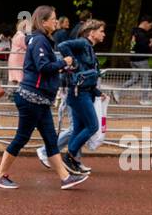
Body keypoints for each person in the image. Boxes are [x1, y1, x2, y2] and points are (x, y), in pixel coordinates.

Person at [0, 5, 88, 190]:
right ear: (43, 22)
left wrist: (63, 66)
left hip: (39, 99)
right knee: (21, 138)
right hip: (32, 98)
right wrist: (63, 62)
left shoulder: (40, 40)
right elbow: (43, 66)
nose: (56, 22)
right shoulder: (39, 40)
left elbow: (45, 67)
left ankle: (65, 178)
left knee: (50, 139)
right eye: (54, 19)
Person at [37, 19, 104, 174]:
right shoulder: (83, 43)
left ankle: (72, 160)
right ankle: (69, 156)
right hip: (78, 93)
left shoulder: (89, 48)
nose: (103, 34)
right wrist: (73, 63)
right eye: (101, 31)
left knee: (79, 128)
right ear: (91, 32)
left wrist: (97, 92)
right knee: (93, 126)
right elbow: (62, 46)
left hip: (84, 91)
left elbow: (89, 73)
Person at [120, 13, 152, 101]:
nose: (150, 27)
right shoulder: (141, 34)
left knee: (135, 78)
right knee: (146, 77)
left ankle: (118, 91)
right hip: (141, 59)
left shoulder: (135, 32)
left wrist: (148, 42)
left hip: (133, 58)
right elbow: (144, 48)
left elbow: (136, 45)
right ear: (145, 23)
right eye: (150, 25)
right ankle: (144, 99)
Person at [5, 11, 31, 87]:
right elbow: (28, 47)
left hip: (15, 60)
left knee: (14, 80)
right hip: (18, 61)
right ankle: (12, 96)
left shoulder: (18, 34)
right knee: (18, 80)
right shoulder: (21, 36)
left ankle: (10, 95)